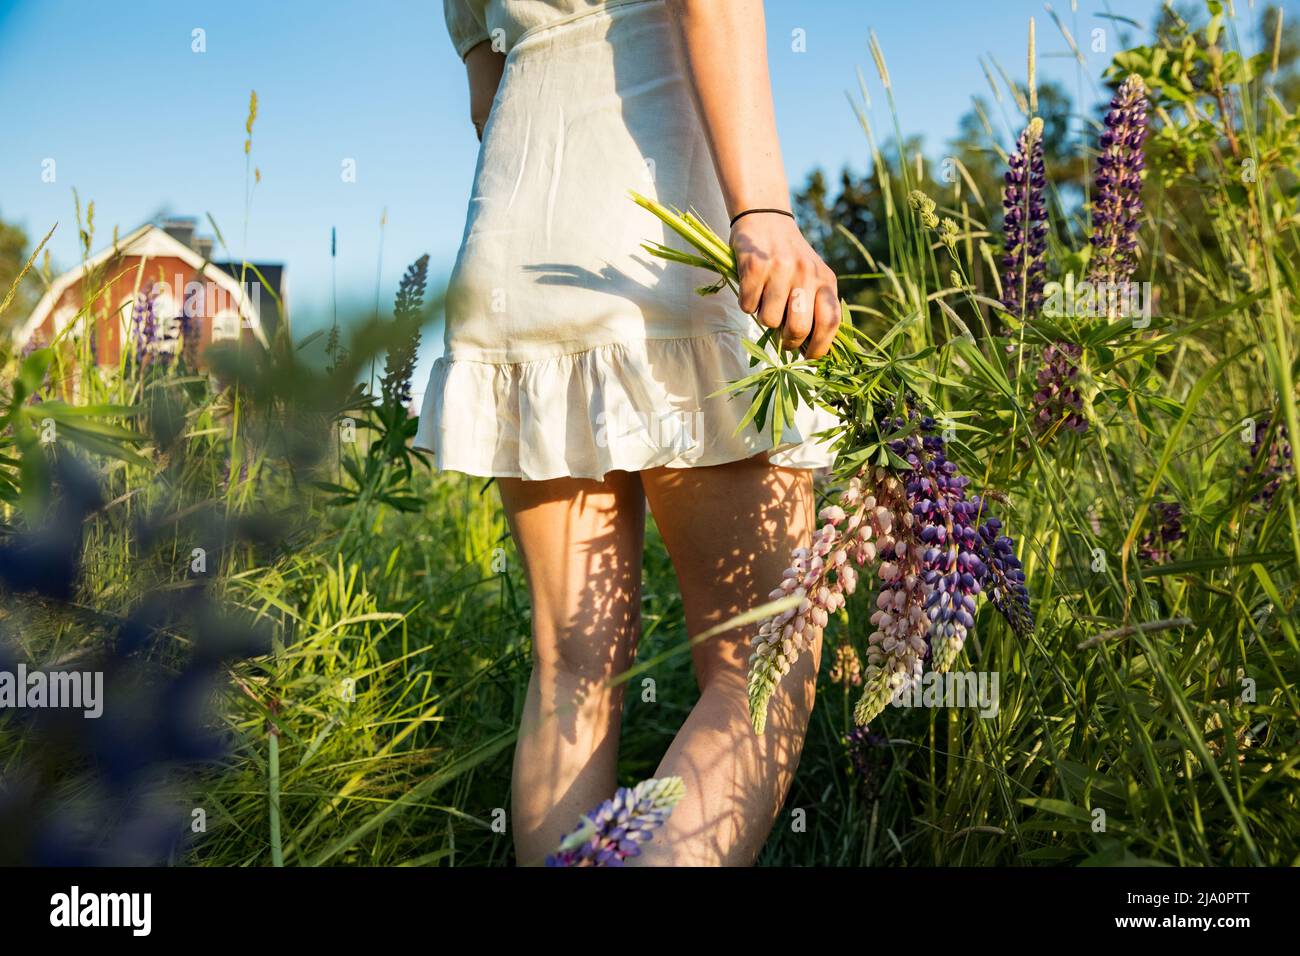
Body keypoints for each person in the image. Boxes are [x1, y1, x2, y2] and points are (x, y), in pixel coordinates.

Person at [417, 0, 840, 866]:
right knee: (763, 652)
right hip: (668, 219)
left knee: (572, 672)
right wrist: (762, 210)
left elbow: (483, 95)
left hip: (518, 237)